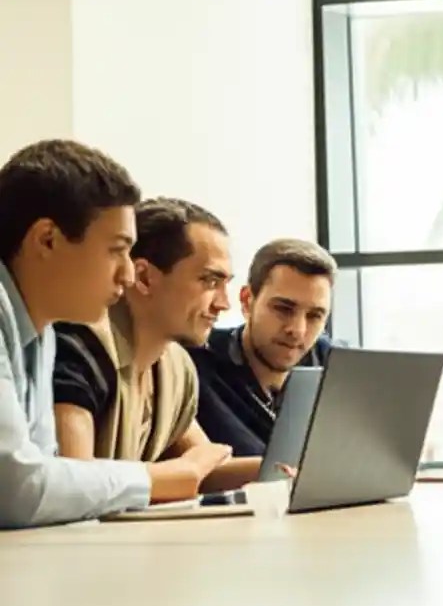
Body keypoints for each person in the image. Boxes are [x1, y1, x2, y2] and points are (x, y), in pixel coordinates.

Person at [0, 140, 228, 528]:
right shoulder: (75, 345)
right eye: (116, 250)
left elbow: (48, 483)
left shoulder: (42, 336)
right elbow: (15, 489)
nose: (126, 274)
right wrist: (154, 479)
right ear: (47, 240)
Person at [52, 197, 258, 492]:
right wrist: (184, 471)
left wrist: (289, 471)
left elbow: (205, 469)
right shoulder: (78, 348)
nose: (223, 304)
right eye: (210, 282)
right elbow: (74, 485)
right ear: (145, 277)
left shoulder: (175, 365)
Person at [187, 238, 335, 456]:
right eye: (284, 309)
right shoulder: (194, 364)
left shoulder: (334, 367)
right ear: (247, 301)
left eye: (314, 316)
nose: (298, 330)